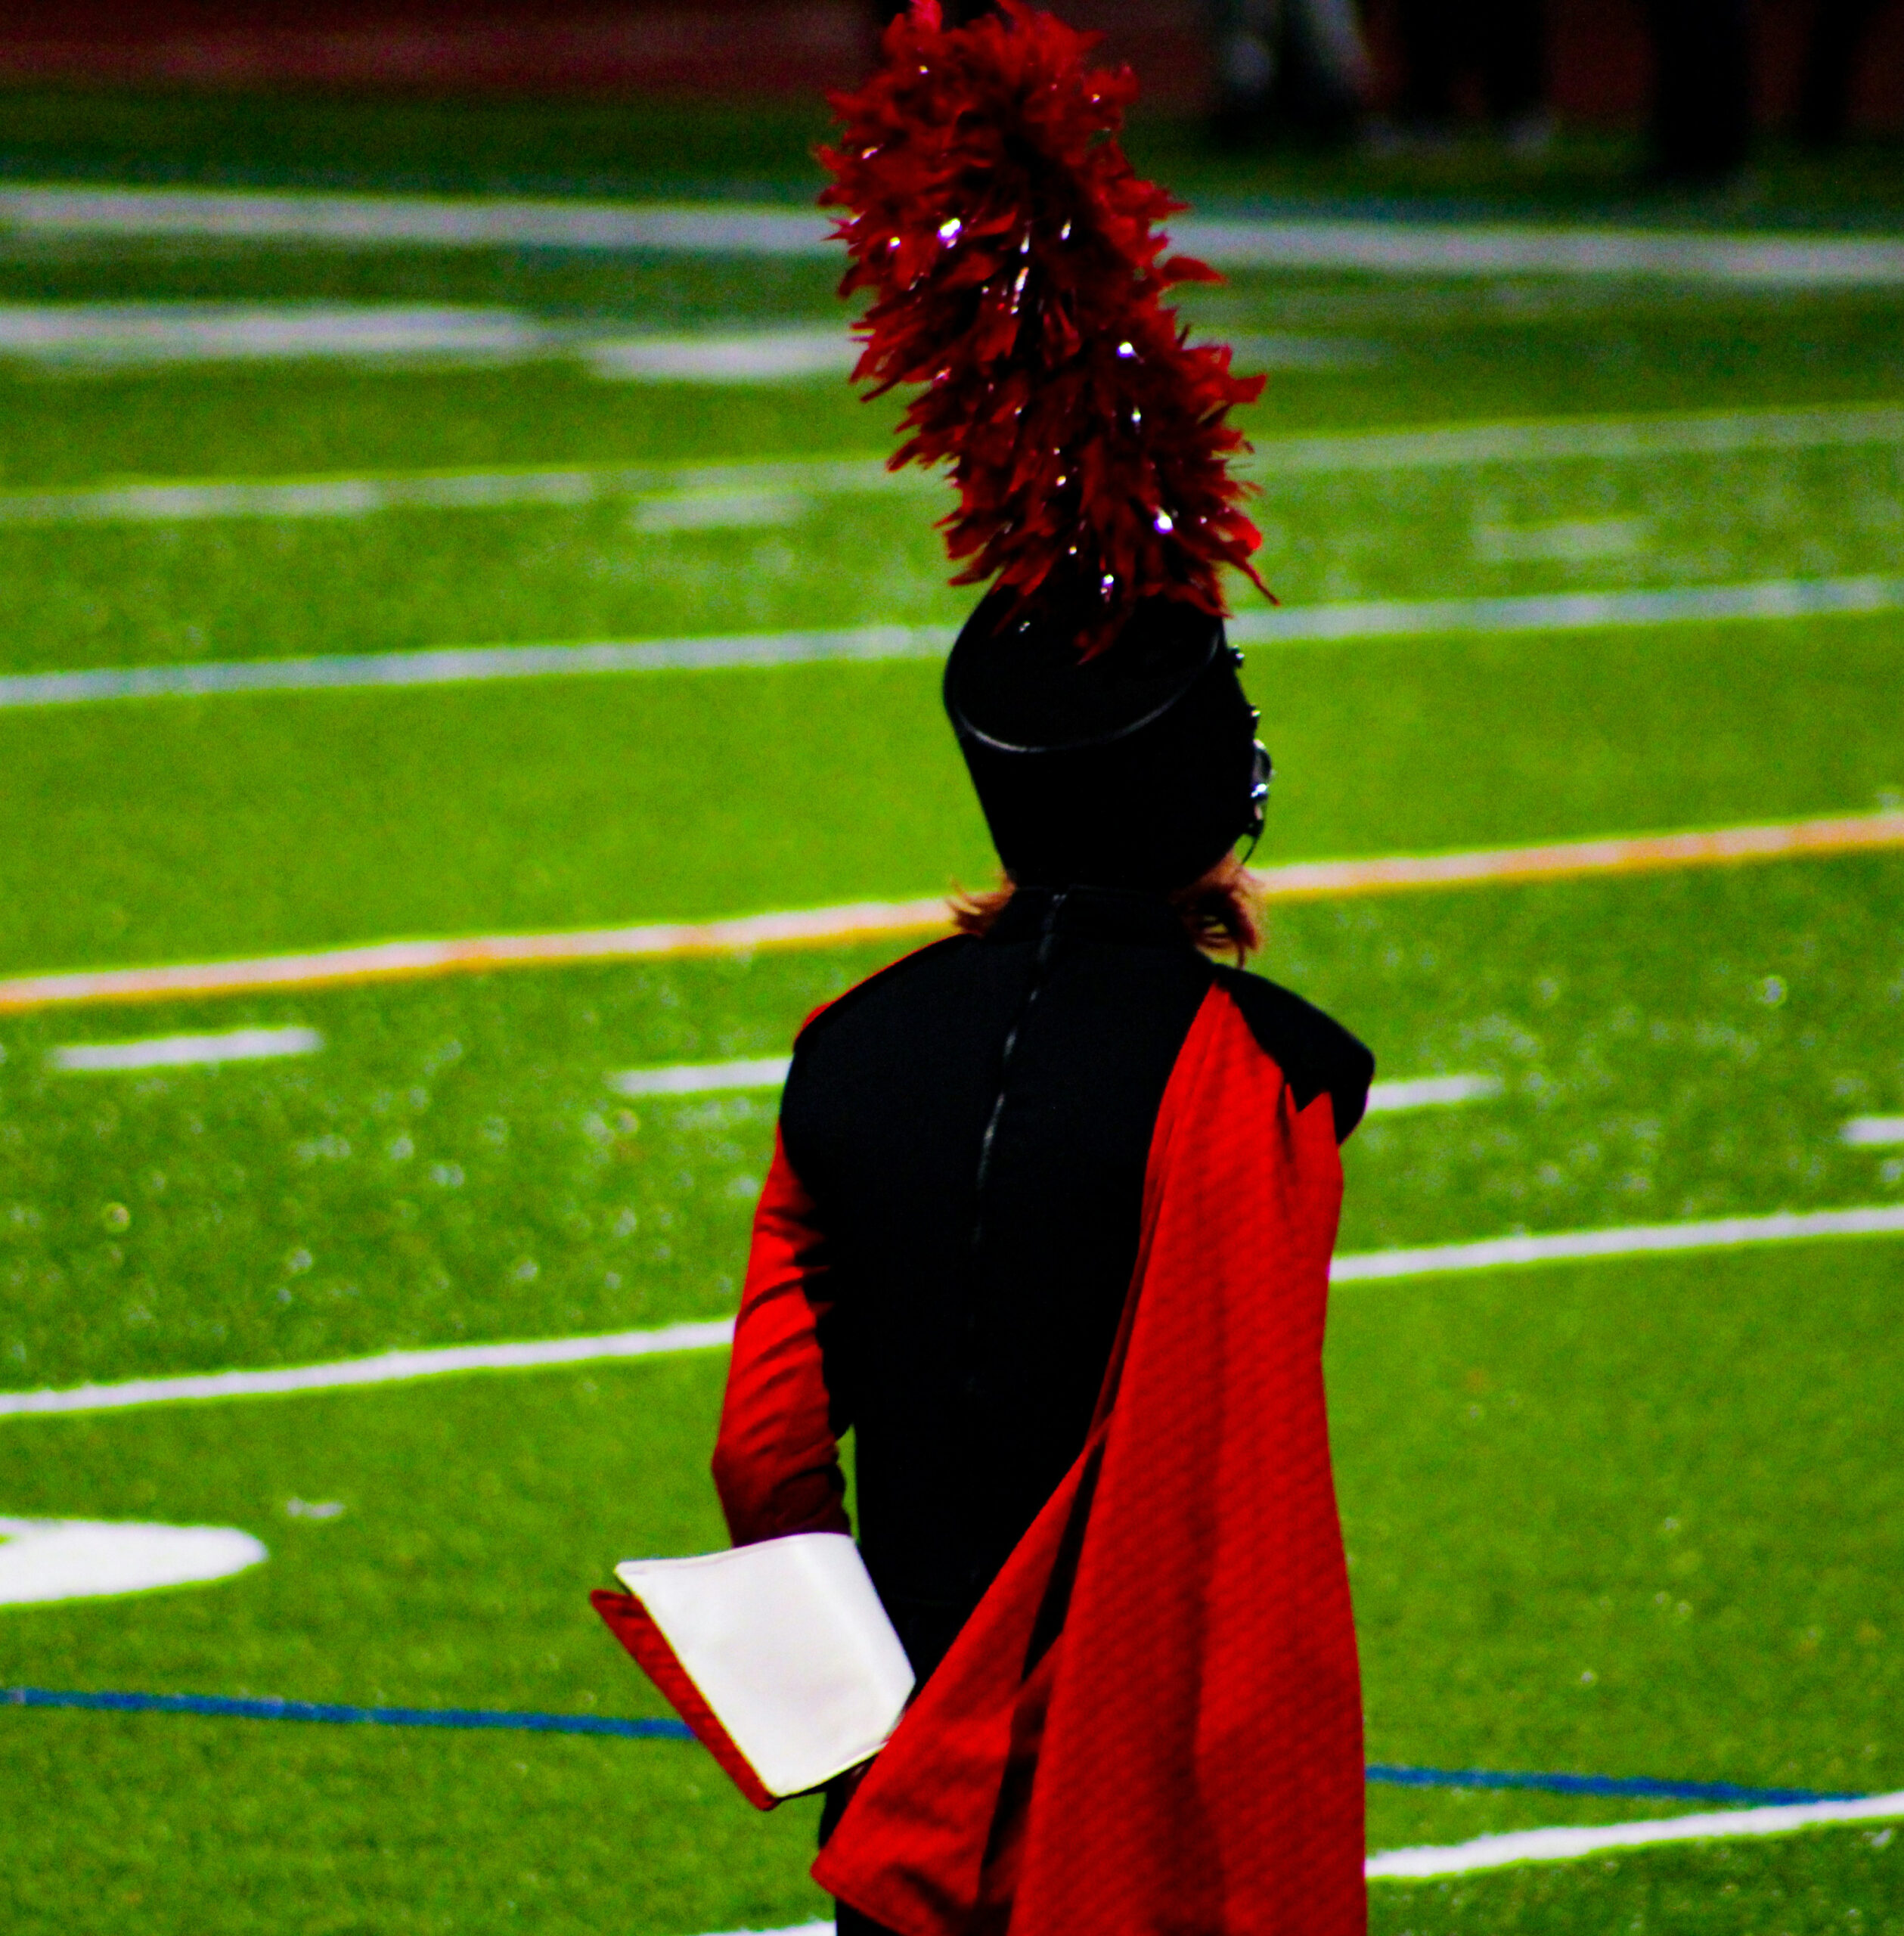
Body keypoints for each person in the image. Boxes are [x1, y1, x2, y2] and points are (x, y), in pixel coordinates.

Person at [712, 7, 1375, 1931]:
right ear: (1207, 799)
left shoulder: (844, 1049)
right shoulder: (1260, 1068)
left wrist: (860, 1745)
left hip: (900, 1788)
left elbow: (765, 1452)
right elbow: (1234, 1527)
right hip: (1128, 1801)